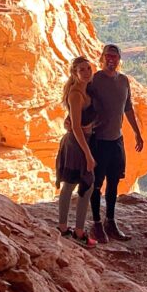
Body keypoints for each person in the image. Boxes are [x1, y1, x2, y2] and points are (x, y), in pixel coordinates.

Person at [84, 42, 145, 242]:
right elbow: (81, 103)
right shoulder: (94, 80)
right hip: (99, 140)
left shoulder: (124, 81)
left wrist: (137, 132)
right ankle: (96, 225)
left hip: (116, 140)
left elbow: (128, 108)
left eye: (115, 57)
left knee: (114, 182)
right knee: (96, 183)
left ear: (119, 60)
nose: (111, 59)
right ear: (102, 58)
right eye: (108, 56)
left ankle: (110, 221)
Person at [54, 57, 98, 245]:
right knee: (84, 184)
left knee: (74, 184)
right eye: (82, 70)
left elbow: (76, 121)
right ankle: (77, 233)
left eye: (88, 68)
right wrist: (88, 155)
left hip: (80, 142)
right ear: (74, 73)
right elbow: (77, 127)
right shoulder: (76, 94)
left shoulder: (85, 89)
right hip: (76, 144)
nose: (87, 72)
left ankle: (64, 228)